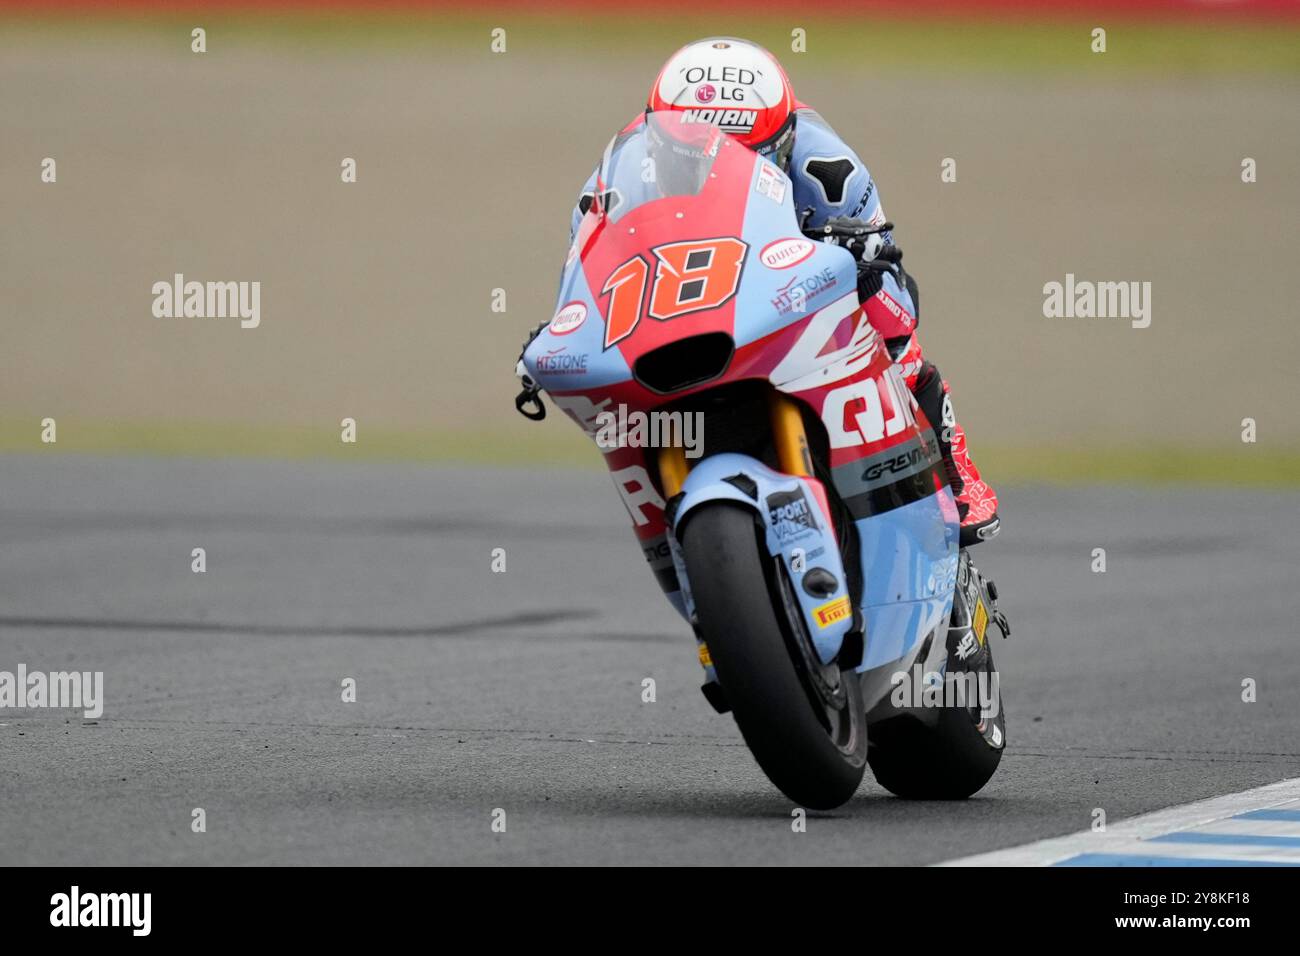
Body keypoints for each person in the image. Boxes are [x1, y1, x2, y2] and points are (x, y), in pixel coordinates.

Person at [552, 37, 1001, 545]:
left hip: (786, 292)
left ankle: (953, 467)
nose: (719, 170)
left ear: (783, 143)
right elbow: (586, 277)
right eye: (697, 156)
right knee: (625, 410)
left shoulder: (831, 170)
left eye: (745, 156)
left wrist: (864, 267)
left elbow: (902, 300)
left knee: (894, 337)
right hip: (685, 298)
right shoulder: (607, 186)